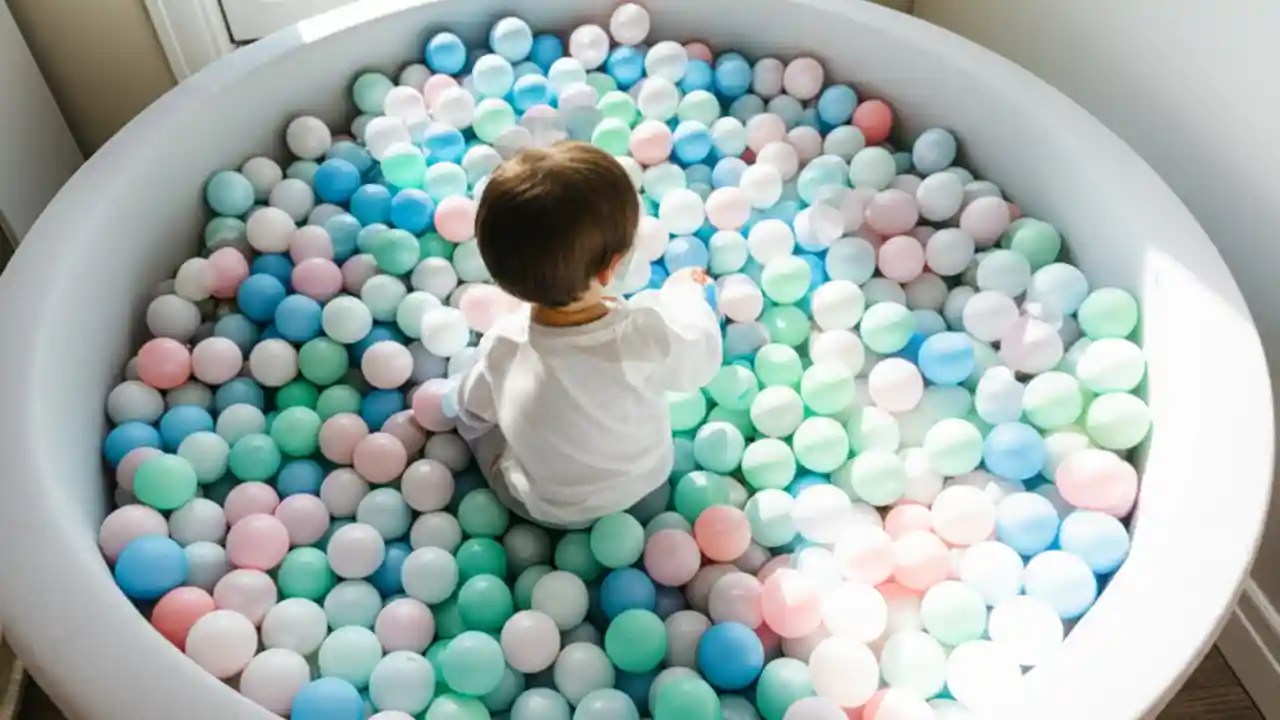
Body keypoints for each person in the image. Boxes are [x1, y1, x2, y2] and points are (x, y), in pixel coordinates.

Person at [448, 141, 721, 528]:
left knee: (475, 427)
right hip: (644, 481)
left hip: (549, 509)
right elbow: (701, 352)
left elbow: (474, 406)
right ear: (610, 269)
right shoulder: (642, 337)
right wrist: (686, 294)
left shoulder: (503, 343)